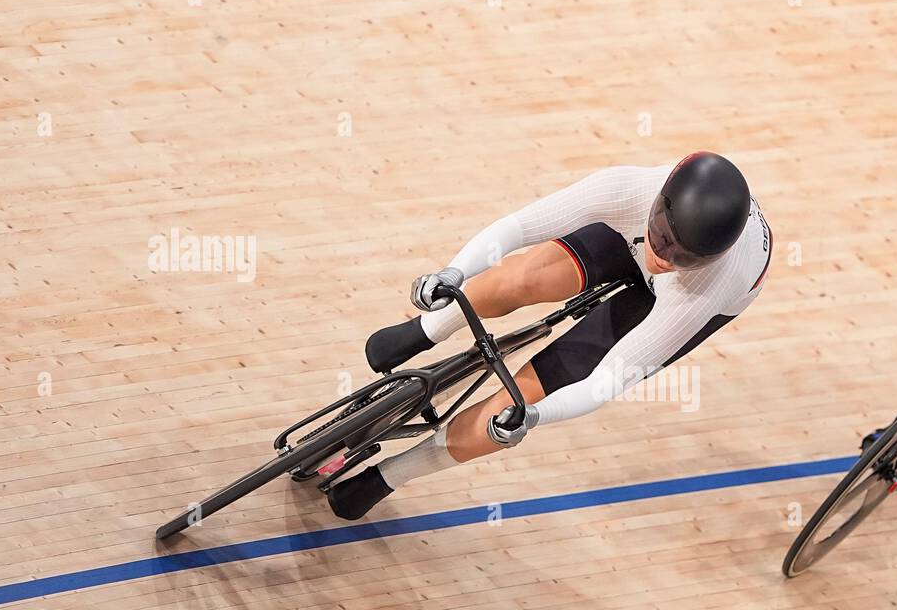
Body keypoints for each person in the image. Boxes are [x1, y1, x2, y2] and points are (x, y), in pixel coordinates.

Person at [328, 152, 773, 520]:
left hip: (686, 300)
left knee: (517, 403)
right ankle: (427, 329)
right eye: (660, 237)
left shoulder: (704, 289)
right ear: (658, 201)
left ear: (706, 259)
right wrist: (453, 272)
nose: (662, 257)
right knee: (521, 278)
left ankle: (390, 475)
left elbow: (605, 382)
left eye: (682, 256)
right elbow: (518, 229)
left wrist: (536, 417)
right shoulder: (629, 189)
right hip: (627, 234)